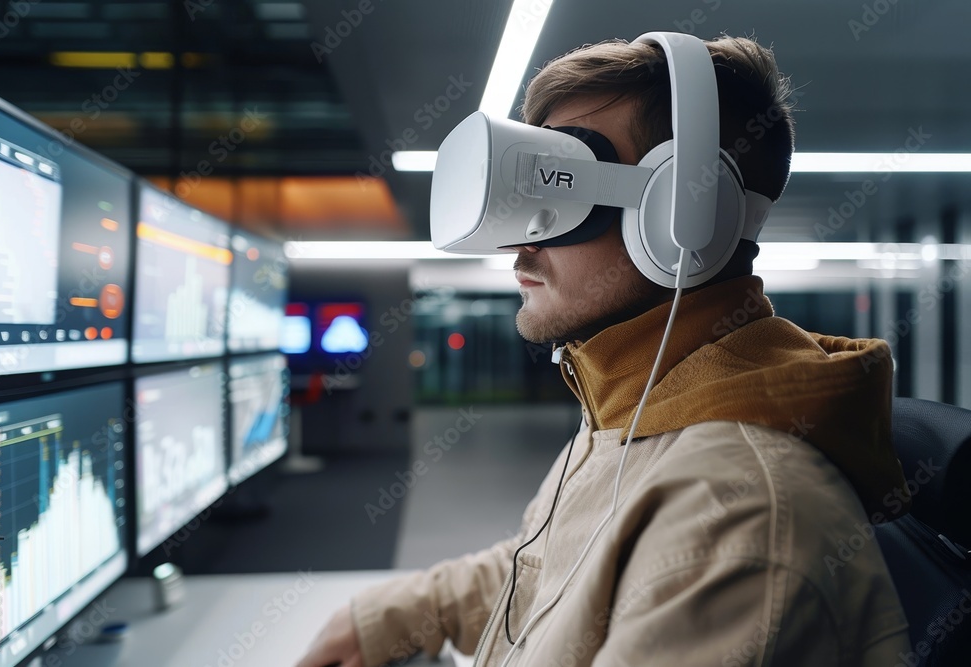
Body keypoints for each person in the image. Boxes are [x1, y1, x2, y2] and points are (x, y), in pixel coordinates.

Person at [297, 34, 912, 667]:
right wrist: (384, 617)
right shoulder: (632, 415)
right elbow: (546, 576)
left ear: (685, 219)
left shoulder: (737, 514)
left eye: (563, 195)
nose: (521, 246)